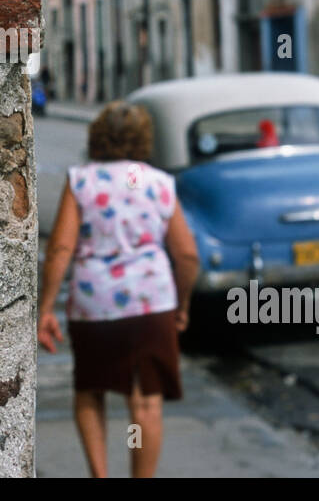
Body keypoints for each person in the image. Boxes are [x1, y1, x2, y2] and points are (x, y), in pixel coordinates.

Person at [37, 101, 200, 478]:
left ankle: (100, 474)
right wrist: (183, 303)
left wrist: (46, 309)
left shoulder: (82, 180)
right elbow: (187, 255)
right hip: (151, 302)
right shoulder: (159, 183)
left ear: (98, 136)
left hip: (96, 305)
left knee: (92, 389)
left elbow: (61, 248)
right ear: (144, 139)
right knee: (143, 405)